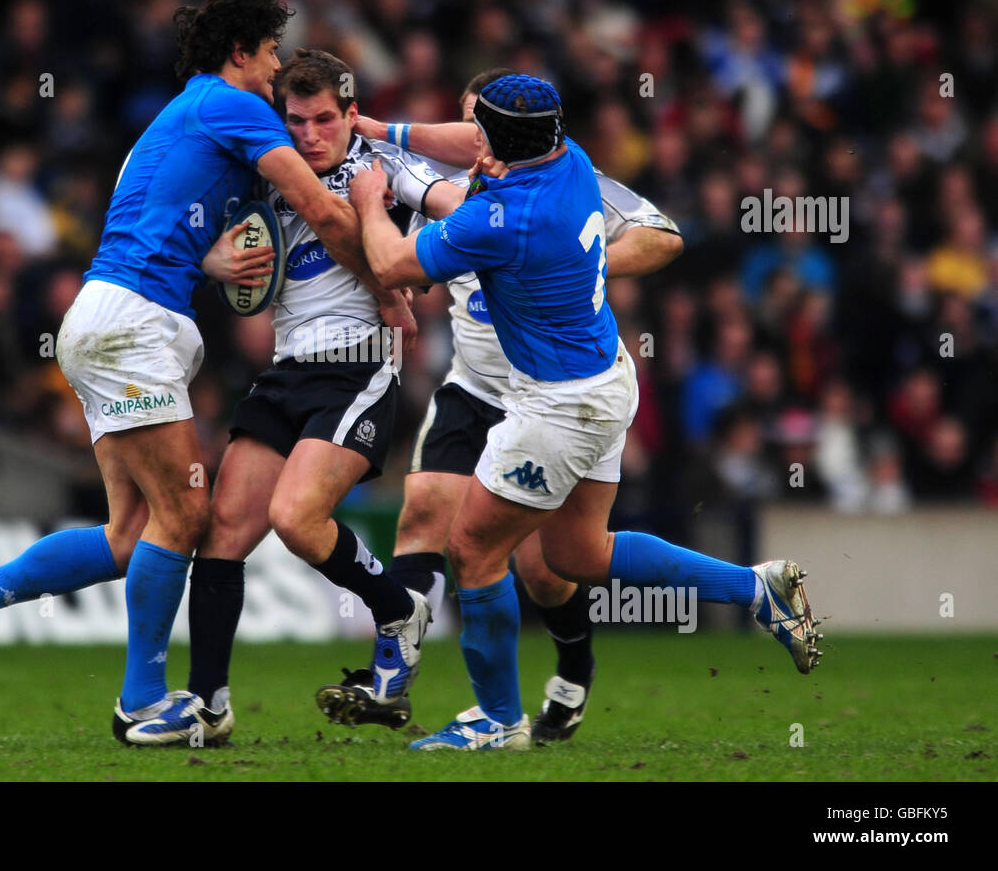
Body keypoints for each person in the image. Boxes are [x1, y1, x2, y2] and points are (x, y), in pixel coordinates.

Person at [0, 0, 366, 748]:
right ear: (240, 52)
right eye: (270, 51)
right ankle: (140, 703)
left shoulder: (181, 114)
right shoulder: (235, 104)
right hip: (134, 327)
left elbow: (155, 222)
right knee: (185, 513)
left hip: (110, 316)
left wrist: (206, 261)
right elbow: (317, 206)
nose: (277, 68)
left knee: (130, 533)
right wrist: (394, 271)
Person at [350, 74, 822, 751]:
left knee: (474, 550)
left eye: (480, 131)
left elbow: (393, 263)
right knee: (578, 554)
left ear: (496, 143)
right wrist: (386, 132)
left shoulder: (501, 219)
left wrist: (372, 198)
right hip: (606, 377)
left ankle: (497, 720)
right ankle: (757, 588)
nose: (472, 139)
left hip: (558, 405)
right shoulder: (569, 160)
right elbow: (470, 147)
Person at [315, 69, 685, 741]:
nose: (470, 139)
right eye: (463, 125)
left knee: (546, 569)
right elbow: (390, 230)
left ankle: (569, 673)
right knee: (423, 514)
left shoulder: (542, 187)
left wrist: (583, 262)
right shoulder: (440, 177)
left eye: (477, 127)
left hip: (546, 393)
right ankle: (390, 679)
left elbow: (664, 235)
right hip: (477, 384)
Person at [170, 47, 470, 745]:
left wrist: (423, 250)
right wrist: (216, 261)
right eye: (296, 121)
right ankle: (209, 704)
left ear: (351, 113)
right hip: (284, 371)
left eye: (324, 119)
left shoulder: (380, 165)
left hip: (357, 368)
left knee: (296, 517)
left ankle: (398, 610)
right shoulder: (264, 167)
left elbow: (453, 209)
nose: (309, 135)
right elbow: (198, 238)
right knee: (222, 535)